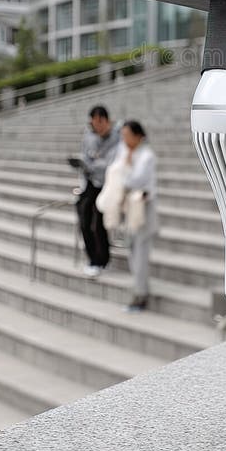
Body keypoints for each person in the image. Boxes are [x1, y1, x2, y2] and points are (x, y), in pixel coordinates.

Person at [97, 120, 157, 311]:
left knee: (140, 254)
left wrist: (125, 169)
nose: (124, 139)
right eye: (122, 135)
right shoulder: (125, 152)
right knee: (133, 251)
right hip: (130, 209)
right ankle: (139, 291)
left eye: (127, 135)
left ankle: (141, 295)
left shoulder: (146, 156)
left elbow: (135, 180)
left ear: (138, 136)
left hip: (143, 209)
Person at [76, 105, 120, 277]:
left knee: (98, 223)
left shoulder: (116, 137)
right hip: (90, 183)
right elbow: (86, 156)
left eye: (99, 122)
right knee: (84, 220)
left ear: (106, 121)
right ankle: (93, 259)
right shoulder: (89, 136)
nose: (97, 127)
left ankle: (102, 259)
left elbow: (111, 163)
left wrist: (93, 163)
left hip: (107, 185)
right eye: (93, 123)